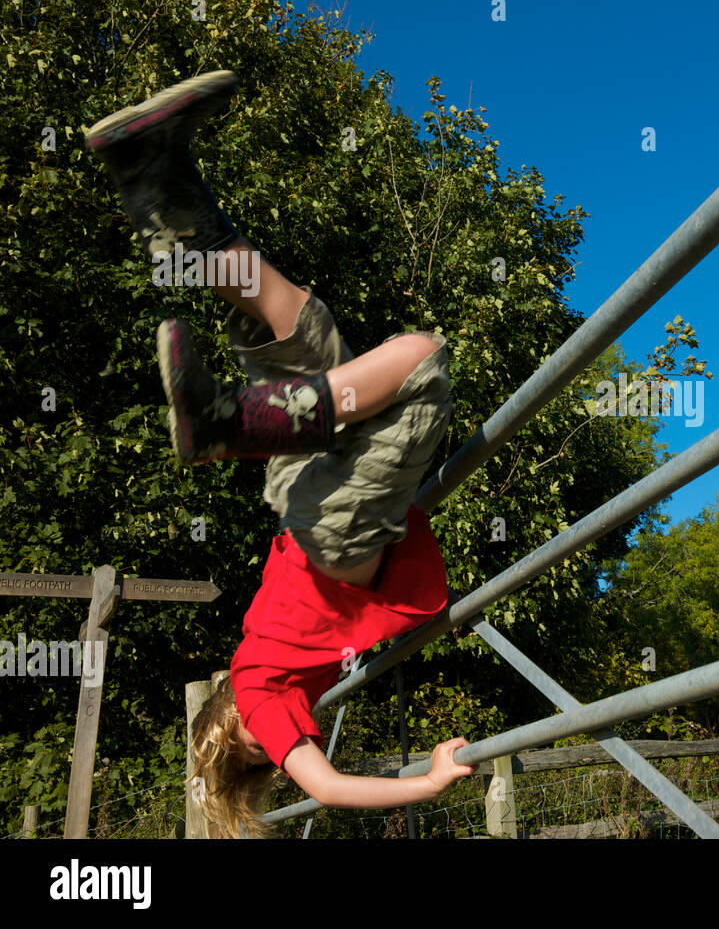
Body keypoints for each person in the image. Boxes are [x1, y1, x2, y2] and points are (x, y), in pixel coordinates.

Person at [85, 70, 476, 837]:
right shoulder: (254, 663)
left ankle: (235, 421)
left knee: (424, 364)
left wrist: (427, 782)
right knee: (294, 320)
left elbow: (328, 789)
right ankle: (154, 181)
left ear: (255, 749)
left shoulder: (269, 707)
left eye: (273, 757)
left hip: (334, 534)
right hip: (295, 499)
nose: (293, 745)